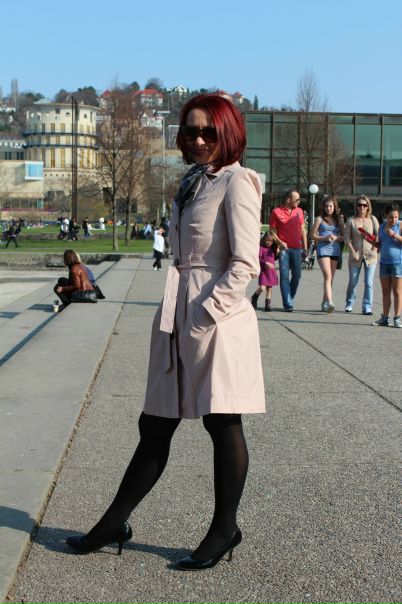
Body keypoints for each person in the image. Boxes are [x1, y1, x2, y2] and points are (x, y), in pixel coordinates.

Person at [66, 93, 265, 570]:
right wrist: (182, 313)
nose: (198, 139)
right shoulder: (191, 182)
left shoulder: (237, 181)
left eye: (208, 132)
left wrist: (206, 312)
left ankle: (224, 529)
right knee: (154, 422)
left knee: (222, 422)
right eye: (190, 131)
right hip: (177, 310)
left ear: (228, 132)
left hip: (215, 318)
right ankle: (112, 523)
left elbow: (245, 264)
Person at [269, 190, 308, 311]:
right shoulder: (276, 212)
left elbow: (303, 230)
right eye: (297, 200)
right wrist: (279, 243)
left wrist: (305, 248)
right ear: (288, 200)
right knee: (284, 276)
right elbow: (272, 231)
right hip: (284, 250)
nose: (299, 202)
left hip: (297, 248)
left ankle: (289, 297)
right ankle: (288, 303)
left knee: (297, 275)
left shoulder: (299, 211)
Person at [344, 195, 379, 315]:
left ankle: (367, 306)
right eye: (359, 205)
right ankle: (349, 303)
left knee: (369, 282)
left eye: (364, 205)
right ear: (356, 207)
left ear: (368, 206)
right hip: (356, 255)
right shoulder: (351, 220)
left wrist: (375, 248)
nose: (362, 207)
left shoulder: (373, 219)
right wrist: (352, 251)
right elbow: (347, 238)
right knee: (353, 281)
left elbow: (378, 234)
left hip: (371, 255)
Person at [311, 197, 344, 312]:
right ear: (323, 207)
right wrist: (325, 238)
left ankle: (324, 302)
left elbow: (343, 237)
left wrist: (336, 237)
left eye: (330, 206)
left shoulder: (339, 220)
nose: (328, 208)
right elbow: (312, 235)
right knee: (328, 276)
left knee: (330, 278)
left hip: (335, 250)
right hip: (323, 250)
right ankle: (330, 302)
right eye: (326, 206)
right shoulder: (319, 219)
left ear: (334, 207)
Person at [372, 203, 402, 328]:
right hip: (384, 263)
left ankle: (397, 318)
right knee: (385, 291)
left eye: (396, 217)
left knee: (397, 292)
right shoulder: (381, 227)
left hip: (397, 263)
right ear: (386, 216)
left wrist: (395, 235)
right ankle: (385, 317)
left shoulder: (400, 225)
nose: (393, 220)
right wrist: (371, 241)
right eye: (391, 217)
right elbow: (380, 245)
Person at [251, 229, 280, 311]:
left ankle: (267, 305)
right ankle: (255, 296)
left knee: (269, 288)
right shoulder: (261, 248)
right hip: (264, 271)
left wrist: (278, 253)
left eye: (271, 241)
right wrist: (265, 263)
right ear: (264, 239)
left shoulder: (273, 249)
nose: (269, 243)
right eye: (267, 240)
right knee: (262, 288)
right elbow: (258, 259)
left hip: (271, 271)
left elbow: (274, 259)